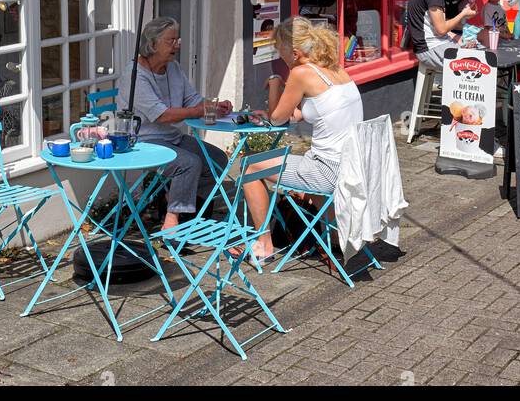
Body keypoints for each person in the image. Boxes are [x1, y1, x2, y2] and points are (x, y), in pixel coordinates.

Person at [240, 17, 363, 262]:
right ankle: (338, 236)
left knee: (250, 166)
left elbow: (277, 120)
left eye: (280, 50)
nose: (279, 56)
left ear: (295, 52)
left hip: (328, 170)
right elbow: (304, 113)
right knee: (304, 166)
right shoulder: (334, 69)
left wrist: (275, 84)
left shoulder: (300, 73)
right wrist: (280, 111)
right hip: (353, 166)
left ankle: (264, 244)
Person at [131, 16, 231, 232]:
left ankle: (188, 210)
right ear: (152, 43)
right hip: (142, 142)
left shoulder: (173, 68)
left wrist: (215, 106)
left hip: (171, 138)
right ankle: (171, 220)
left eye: (178, 39)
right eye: (170, 40)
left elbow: (193, 100)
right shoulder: (135, 76)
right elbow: (162, 116)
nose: (177, 44)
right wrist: (200, 110)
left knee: (217, 159)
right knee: (189, 163)